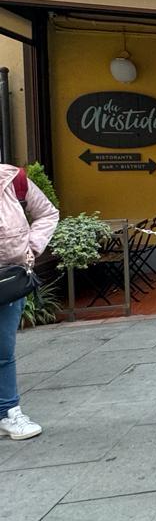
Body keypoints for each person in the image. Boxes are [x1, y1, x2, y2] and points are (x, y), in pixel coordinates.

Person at [0, 165, 59, 440]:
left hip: (7, 281)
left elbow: (47, 212)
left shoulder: (14, 180)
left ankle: (8, 412)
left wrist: (32, 248)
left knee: (2, 350)